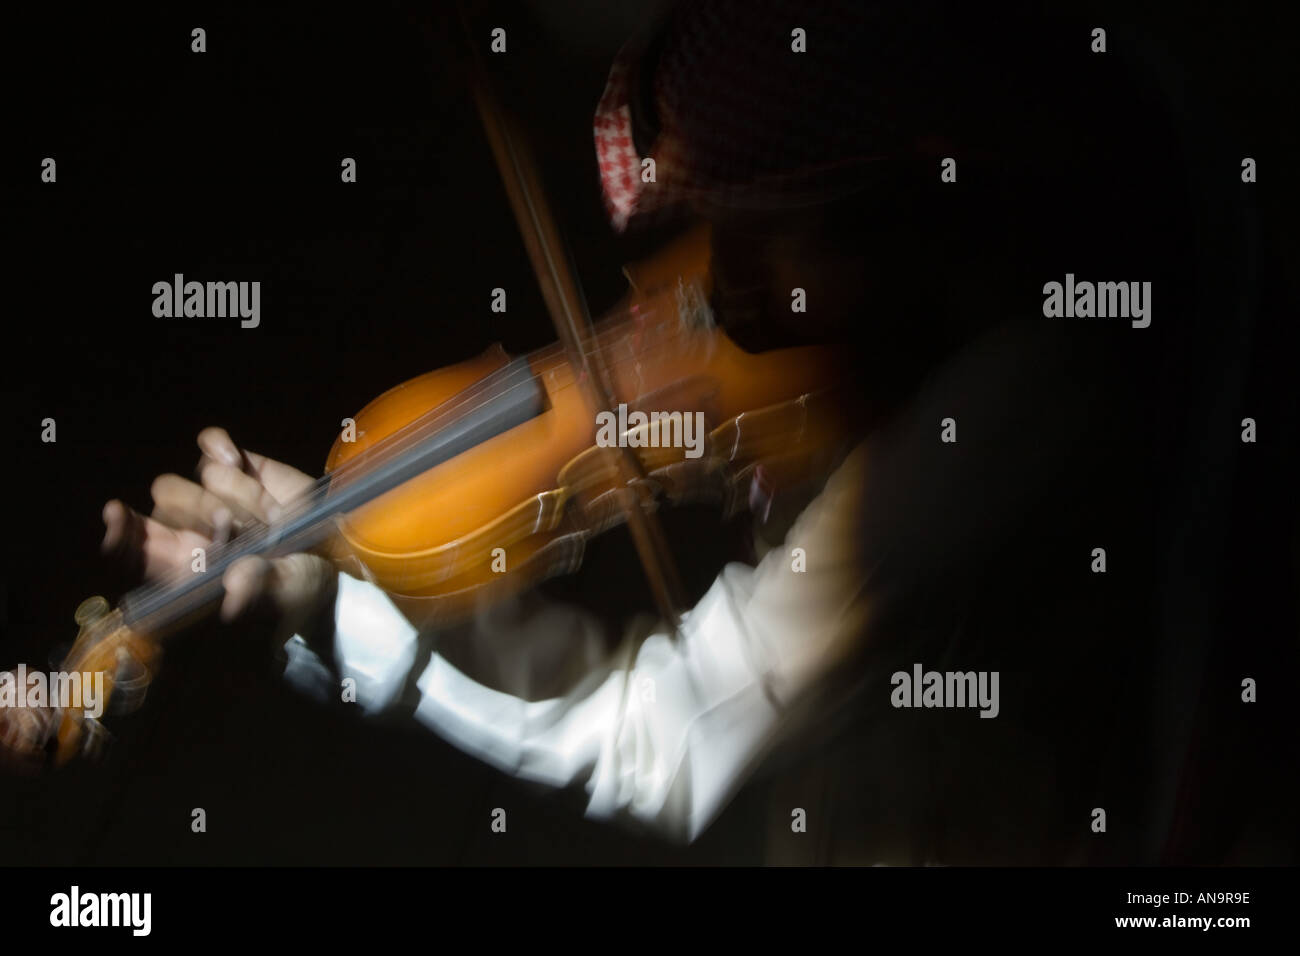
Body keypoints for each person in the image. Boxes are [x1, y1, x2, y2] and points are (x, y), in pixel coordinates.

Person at [101, 2, 1197, 858]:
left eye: (783, 235)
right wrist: (321, 563)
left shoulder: (984, 432)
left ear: (923, 206)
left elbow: (659, 734)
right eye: (714, 222)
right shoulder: (924, 212)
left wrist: (353, 613)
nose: (716, 287)